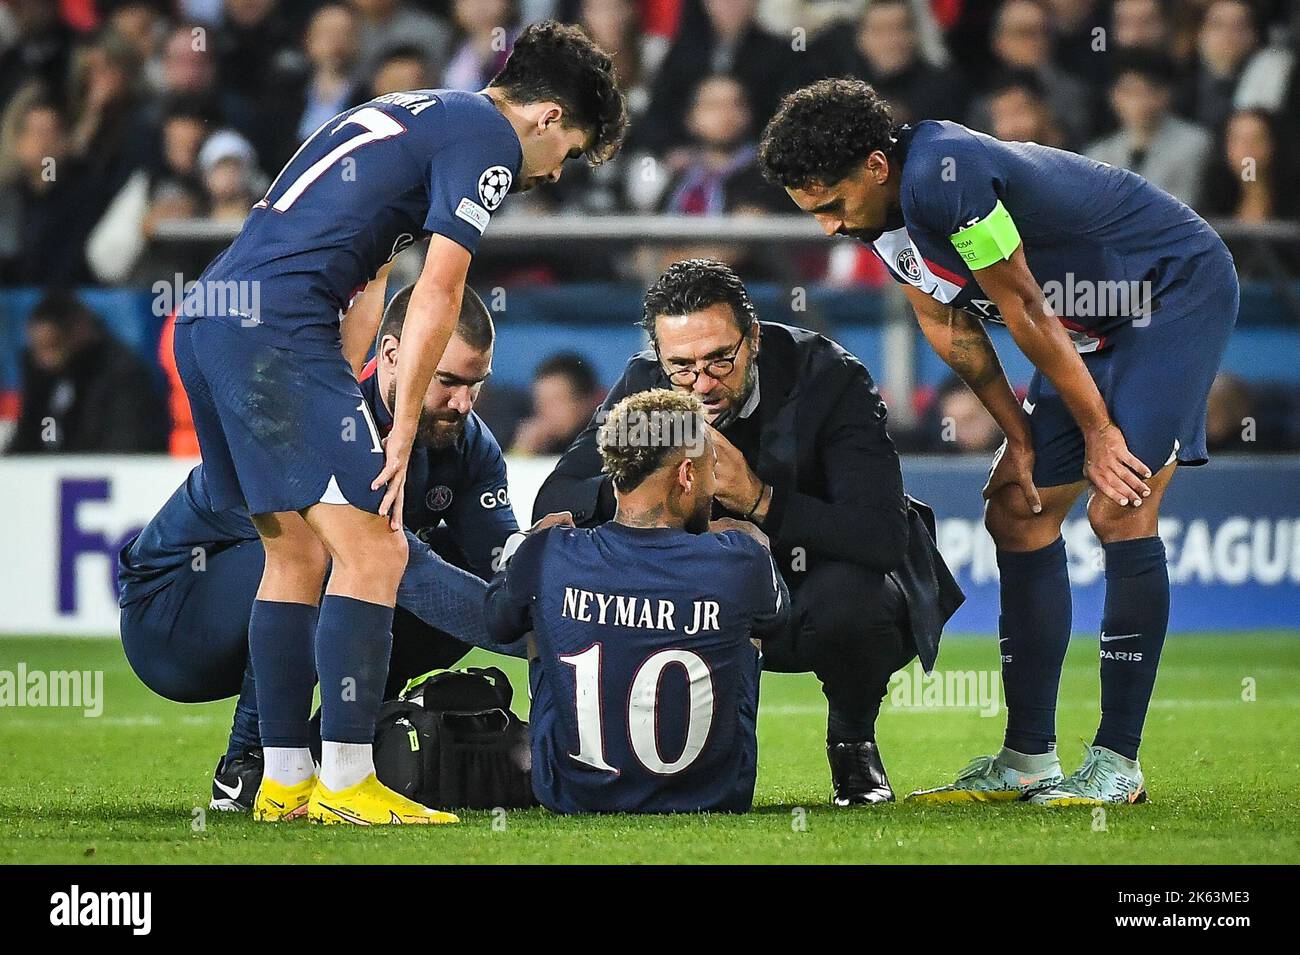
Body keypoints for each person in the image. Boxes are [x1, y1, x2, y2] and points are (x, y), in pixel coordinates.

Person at [172, 19, 625, 826]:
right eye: (570, 152)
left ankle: (281, 779)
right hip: (277, 327)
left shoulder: (418, 110)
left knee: (297, 550)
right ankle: (346, 779)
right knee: (378, 544)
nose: (554, 174)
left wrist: (347, 392)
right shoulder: (487, 138)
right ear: (549, 116)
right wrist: (402, 420)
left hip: (210, 317)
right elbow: (441, 287)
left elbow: (376, 270)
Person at [760, 78, 1239, 805]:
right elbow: (950, 328)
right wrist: (1018, 437)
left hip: (1170, 292)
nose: (828, 227)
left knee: (1118, 504)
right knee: (1016, 506)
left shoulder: (945, 178)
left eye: (832, 204)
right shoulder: (880, 215)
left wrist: (1099, 432)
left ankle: (1118, 763)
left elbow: (1022, 306)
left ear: (876, 167)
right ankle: (1027, 758)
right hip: (1089, 326)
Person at [533, 259, 963, 806]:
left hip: (813, 597)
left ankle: (852, 742)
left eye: (720, 360)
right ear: (659, 357)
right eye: (682, 367)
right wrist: (639, 488)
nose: (702, 384)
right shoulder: (648, 389)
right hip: (708, 602)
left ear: (753, 338)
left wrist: (759, 500)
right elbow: (556, 499)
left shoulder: (831, 380)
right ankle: (663, 751)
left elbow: (882, 537)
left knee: (858, 598)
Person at [119, 285, 524, 812]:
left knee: (425, 566)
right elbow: (416, 577)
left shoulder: (469, 444)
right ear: (393, 355)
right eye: (447, 381)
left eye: (477, 384)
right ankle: (248, 766)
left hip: (255, 594)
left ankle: (336, 747)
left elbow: (497, 566)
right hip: (172, 614)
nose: (464, 403)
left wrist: (552, 573)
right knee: (341, 556)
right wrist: (545, 635)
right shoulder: (325, 418)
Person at [485, 388, 791, 813]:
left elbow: (497, 621)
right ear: (686, 474)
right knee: (749, 627)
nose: (713, 487)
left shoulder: (549, 552)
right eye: (710, 469)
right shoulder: (741, 558)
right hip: (717, 796)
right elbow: (778, 621)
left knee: (537, 610)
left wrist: (523, 546)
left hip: (572, 795)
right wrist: (756, 545)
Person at [5, 291, 168, 455]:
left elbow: (128, 441)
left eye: (53, 347)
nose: (44, 360)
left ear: (79, 331)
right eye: (38, 349)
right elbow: (26, 434)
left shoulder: (122, 374)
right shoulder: (38, 374)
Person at [510, 352, 603, 455]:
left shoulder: (607, 445)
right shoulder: (539, 445)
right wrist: (523, 450)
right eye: (540, 402)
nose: (544, 411)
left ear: (584, 403)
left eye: (555, 402)